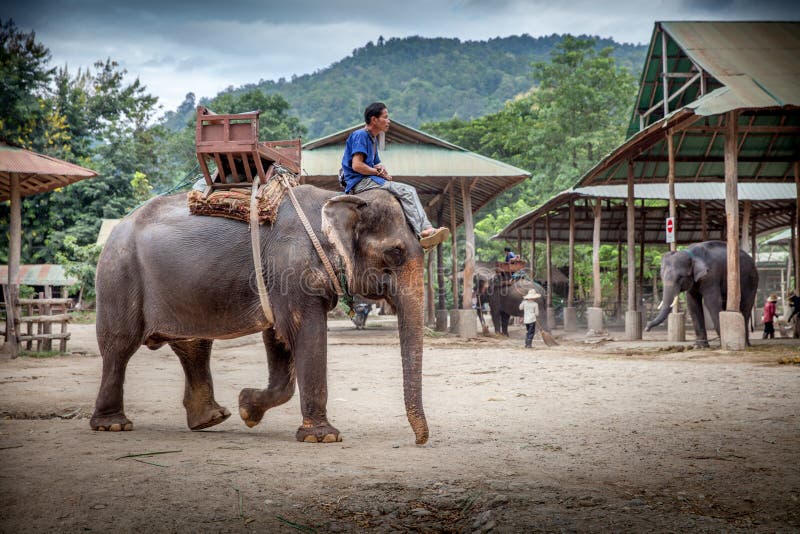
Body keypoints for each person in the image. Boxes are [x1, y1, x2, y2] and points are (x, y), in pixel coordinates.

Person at [341, 102, 449, 248]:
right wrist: (376, 172)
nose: (388, 121)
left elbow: (376, 164)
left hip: (368, 179)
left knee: (403, 191)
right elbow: (357, 165)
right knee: (408, 191)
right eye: (385, 117)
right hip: (360, 182)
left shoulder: (372, 139)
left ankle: (420, 231)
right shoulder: (361, 135)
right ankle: (424, 230)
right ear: (374, 120)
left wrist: (382, 170)